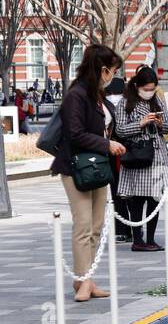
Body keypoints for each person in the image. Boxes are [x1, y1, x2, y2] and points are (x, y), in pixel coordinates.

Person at [49, 44, 126, 303]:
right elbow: (75, 133)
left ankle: (87, 279)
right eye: (113, 70)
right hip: (76, 167)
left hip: (96, 166)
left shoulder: (96, 94)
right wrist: (106, 144)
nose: (114, 75)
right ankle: (83, 281)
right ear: (103, 69)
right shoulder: (77, 94)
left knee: (95, 227)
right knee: (83, 226)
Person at [113, 66, 168, 252]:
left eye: (152, 89)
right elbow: (120, 130)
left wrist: (160, 123)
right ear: (137, 86)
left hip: (157, 155)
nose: (149, 92)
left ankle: (150, 238)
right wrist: (140, 124)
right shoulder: (125, 102)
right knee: (137, 199)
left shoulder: (157, 99)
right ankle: (138, 239)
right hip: (137, 155)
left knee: (155, 198)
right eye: (146, 89)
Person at [105, 73, 131, 243]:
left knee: (121, 193)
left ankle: (126, 229)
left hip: (122, 153)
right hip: (116, 153)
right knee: (118, 192)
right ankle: (125, 229)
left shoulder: (126, 105)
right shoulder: (105, 105)